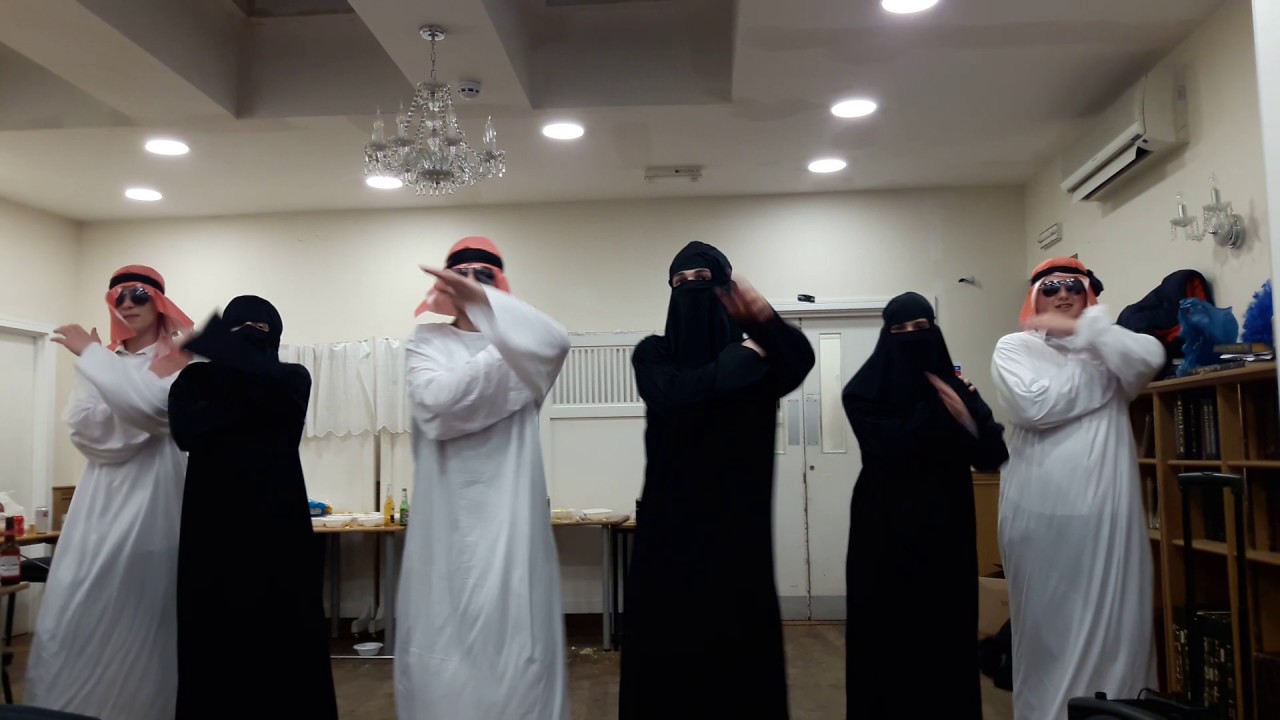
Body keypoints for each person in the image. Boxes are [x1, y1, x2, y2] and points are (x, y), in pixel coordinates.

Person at [620, 241, 815, 719]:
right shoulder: (654, 352)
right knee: (666, 664)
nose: (691, 290)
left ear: (726, 288)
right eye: (681, 283)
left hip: (736, 540)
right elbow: (675, 397)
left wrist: (763, 321)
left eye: (704, 281)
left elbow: (801, 358)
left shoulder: (764, 352)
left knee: (737, 667)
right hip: (669, 536)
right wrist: (743, 358)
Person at [396, 237, 571, 720]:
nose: (473, 283)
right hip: (444, 529)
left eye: (485, 276)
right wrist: (511, 352)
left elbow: (557, 340)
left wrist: (496, 320)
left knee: (516, 647)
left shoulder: (528, 346)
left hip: (512, 526)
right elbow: (437, 406)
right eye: (463, 275)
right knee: (442, 649)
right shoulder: (426, 342)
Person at [990, 258, 1165, 720]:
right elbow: (1034, 406)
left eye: (1073, 286)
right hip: (1038, 518)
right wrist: (1100, 368)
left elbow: (1150, 357)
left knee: (1118, 627)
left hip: (1108, 517)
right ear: (1035, 297)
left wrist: (1091, 332)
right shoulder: (1015, 347)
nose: (1063, 294)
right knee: (1046, 633)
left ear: (1089, 294)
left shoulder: (1111, 344)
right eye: (1051, 288)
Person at [26, 266, 193, 720]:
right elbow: (84, 430)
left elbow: (153, 412)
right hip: (96, 507)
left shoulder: (179, 358)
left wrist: (93, 359)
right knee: (73, 608)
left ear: (158, 301)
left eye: (138, 294)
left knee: (144, 619)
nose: (127, 304)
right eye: (118, 296)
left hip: (154, 505)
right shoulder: (106, 361)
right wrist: (109, 373)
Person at [842, 291, 1008, 720]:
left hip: (945, 529)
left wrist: (967, 416)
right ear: (885, 335)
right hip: (883, 530)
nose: (912, 338)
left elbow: (992, 454)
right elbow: (891, 445)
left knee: (944, 634)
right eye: (899, 330)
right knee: (884, 635)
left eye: (921, 328)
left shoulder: (957, 391)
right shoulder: (861, 392)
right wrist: (943, 410)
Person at [169, 296, 337, 719]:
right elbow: (187, 432)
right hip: (212, 527)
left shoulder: (292, 377)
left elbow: (282, 424)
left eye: (259, 330)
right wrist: (238, 386)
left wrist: (228, 368)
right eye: (238, 330)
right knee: (213, 631)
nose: (248, 337)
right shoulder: (195, 378)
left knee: (284, 630)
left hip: (277, 527)